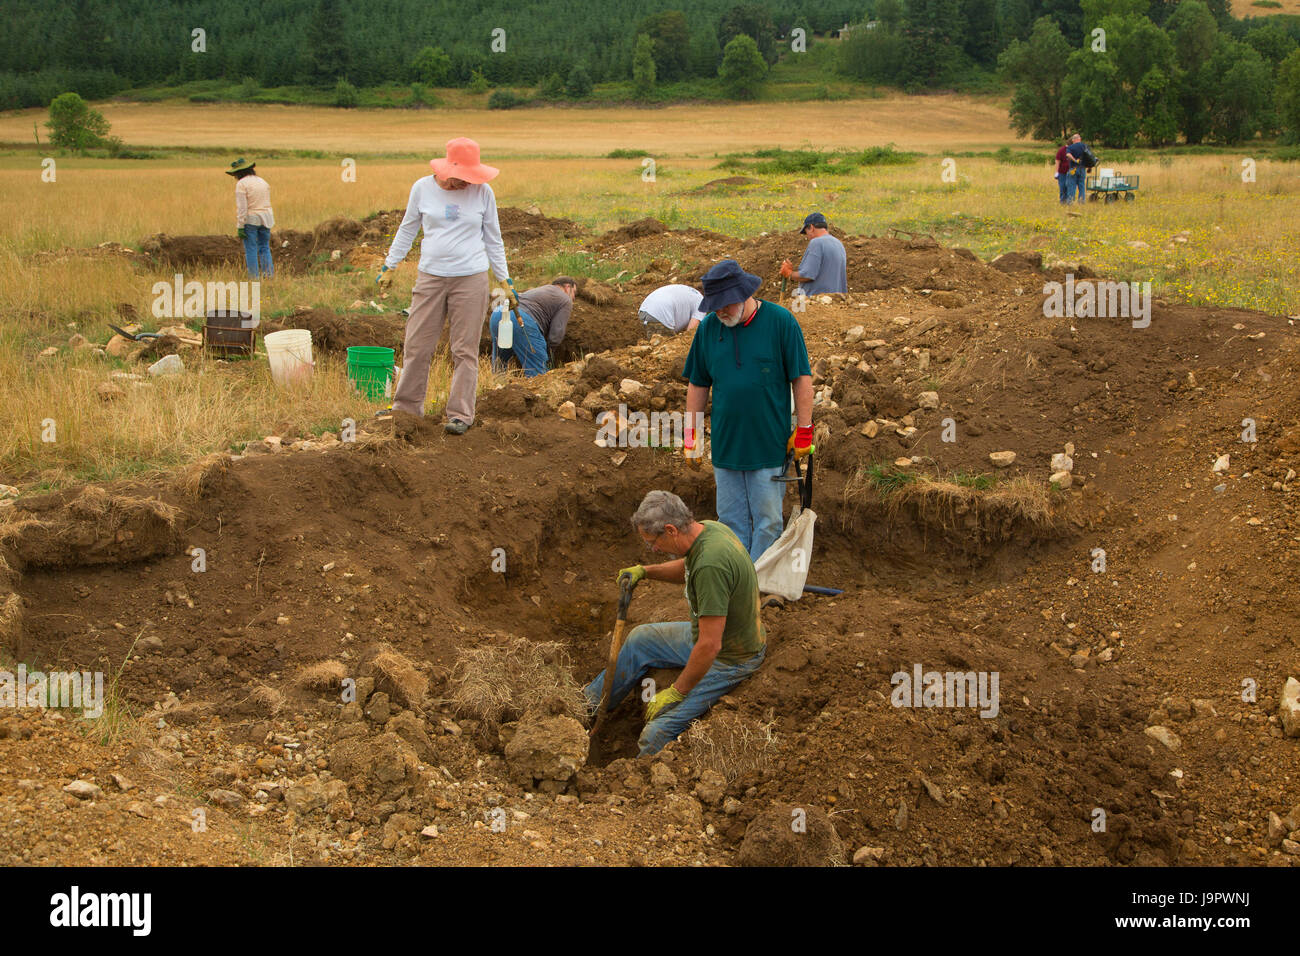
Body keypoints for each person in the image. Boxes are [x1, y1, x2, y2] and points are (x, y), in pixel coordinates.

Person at [584, 491, 767, 756]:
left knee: (655, 733)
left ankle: (637, 784)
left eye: (653, 543)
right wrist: (645, 571)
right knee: (641, 639)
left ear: (670, 530)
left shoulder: (711, 565)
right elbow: (687, 567)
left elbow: (710, 645)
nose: (654, 550)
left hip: (732, 657)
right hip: (712, 639)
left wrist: (676, 692)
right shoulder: (707, 531)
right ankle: (588, 706)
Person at [377, 137, 514, 435]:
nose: (466, 183)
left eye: (471, 177)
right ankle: (406, 409)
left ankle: (460, 415)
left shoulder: (483, 192)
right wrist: (390, 264)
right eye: (462, 177)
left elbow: (493, 237)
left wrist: (504, 279)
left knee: (464, 349)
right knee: (417, 344)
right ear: (448, 168)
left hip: (471, 277)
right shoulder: (422, 189)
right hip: (431, 277)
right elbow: (408, 228)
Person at [682, 259, 814, 563]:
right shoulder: (708, 330)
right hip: (727, 448)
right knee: (731, 523)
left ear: (744, 293)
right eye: (714, 306)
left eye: (724, 304)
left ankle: (759, 586)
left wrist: (805, 429)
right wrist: (691, 435)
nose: (719, 312)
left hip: (768, 447)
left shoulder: (781, 322)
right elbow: (698, 384)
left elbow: (801, 379)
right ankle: (737, 585)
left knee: (767, 523)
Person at [489, 276, 577, 376]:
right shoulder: (565, 299)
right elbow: (556, 334)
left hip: (498, 313)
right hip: (520, 318)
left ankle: (497, 387)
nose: (573, 298)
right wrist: (547, 352)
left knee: (500, 363)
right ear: (567, 287)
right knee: (538, 374)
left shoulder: (540, 290)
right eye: (574, 293)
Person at [226, 158, 274, 278]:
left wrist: (240, 226)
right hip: (267, 218)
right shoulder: (263, 181)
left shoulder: (241, 184)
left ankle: (254, 277)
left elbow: (242, 208)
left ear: (239, 173)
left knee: (251, 249)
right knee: (264, 247)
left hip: (251, 219)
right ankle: (269, 275)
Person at [779, 212, 847, 296]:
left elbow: (808, 275)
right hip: (835, 301)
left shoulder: (817, 242)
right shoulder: (838, 244)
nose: (807, 237)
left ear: (811, 227)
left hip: (817, 301)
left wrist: (789, 273)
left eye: (806, 232)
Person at [637, 284, 705, 337]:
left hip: (644, 311)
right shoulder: (701, 300)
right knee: (666, 348)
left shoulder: (689, 292)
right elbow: (691, 332)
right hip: (661, 314)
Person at [1065, 133, 1090, 205]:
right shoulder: (1085, 146)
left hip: (1073, 169)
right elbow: (1090, 157)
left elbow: (1068, 154)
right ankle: (1081, 201)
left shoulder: (1070, 147)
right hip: (1083, 169)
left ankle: (1070, 202)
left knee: (1071, 185)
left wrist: (1074, 160)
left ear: (1074, 140)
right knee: (1081, 185)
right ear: (1079, 139)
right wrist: (1089, 167)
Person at [1054, 136, 1072, 205]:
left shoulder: (1072, 150)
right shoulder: (1061, 150)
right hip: (1062, 173)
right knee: (1062, 187)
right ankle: (1062, 201)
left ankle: (1068, 201)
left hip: (1071, 172)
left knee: (1069, 187)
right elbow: (1057, 161)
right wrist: (1056, 172)